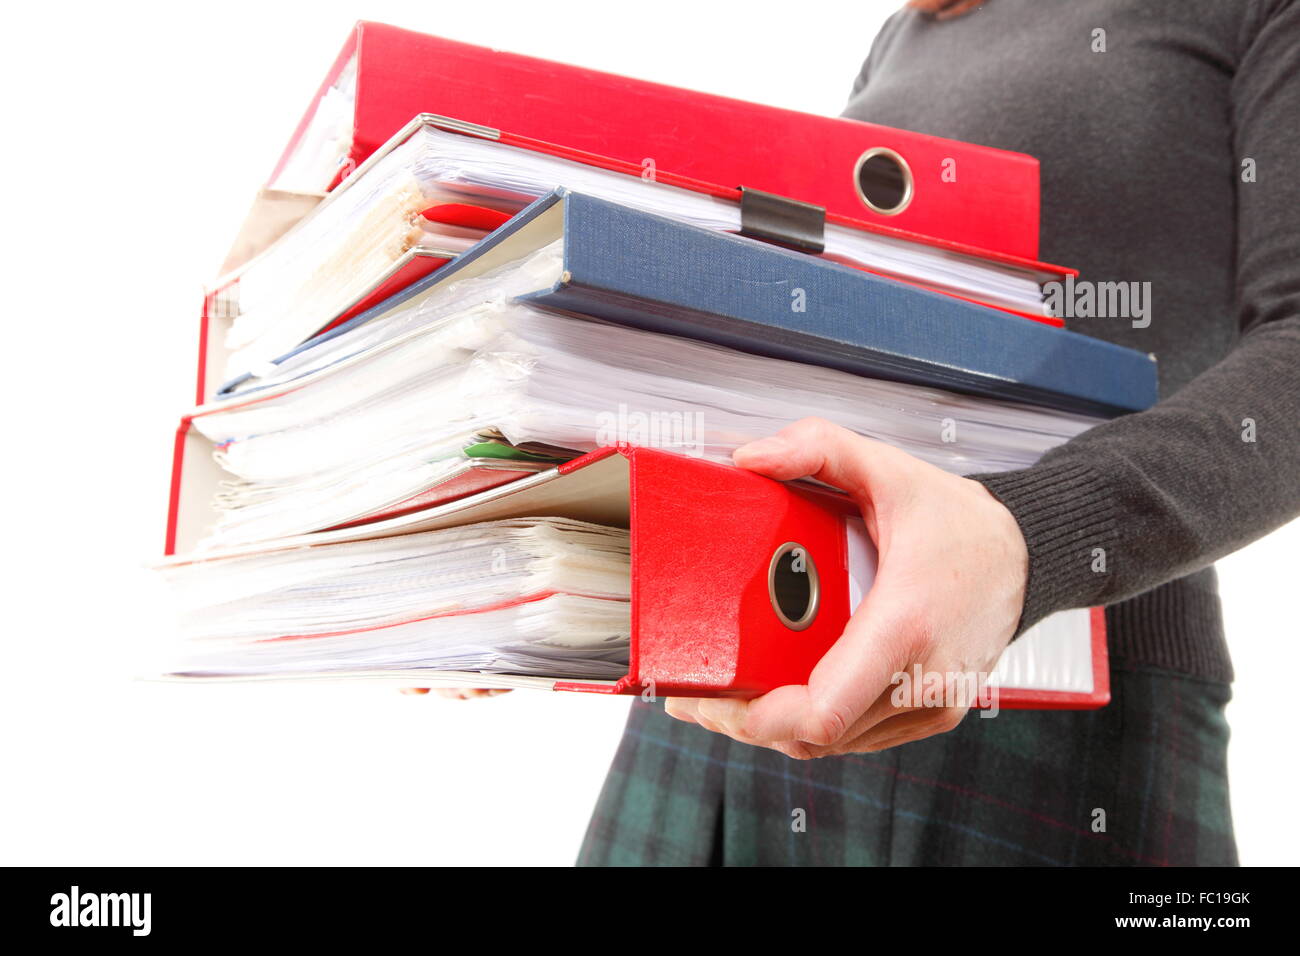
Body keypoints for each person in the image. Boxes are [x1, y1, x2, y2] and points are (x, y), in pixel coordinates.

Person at [442, 0, 1300, 865]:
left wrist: (1025, 539)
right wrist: (530, 551)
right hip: (750, 649)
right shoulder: (904, 35)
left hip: (1066, 678)